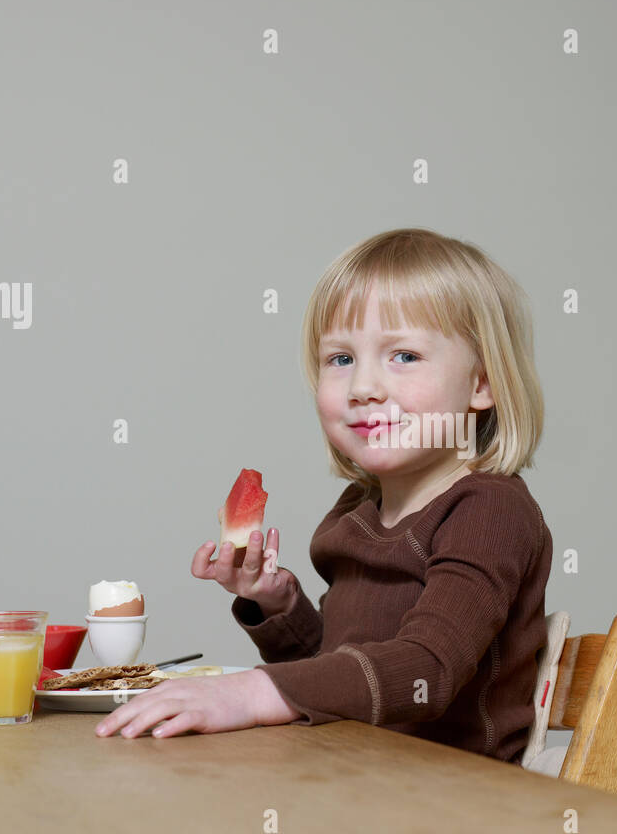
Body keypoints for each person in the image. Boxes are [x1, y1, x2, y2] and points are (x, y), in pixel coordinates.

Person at [97, 227, 551, 763]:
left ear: (482, 383)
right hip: (352, 783)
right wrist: (279, 605)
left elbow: (425, 670)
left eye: (403, 355)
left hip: (455, 809)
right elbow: (346, 677)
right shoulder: (358, 512)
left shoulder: (489, 511)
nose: (363, 387)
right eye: (340, 359)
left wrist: (251, 691)